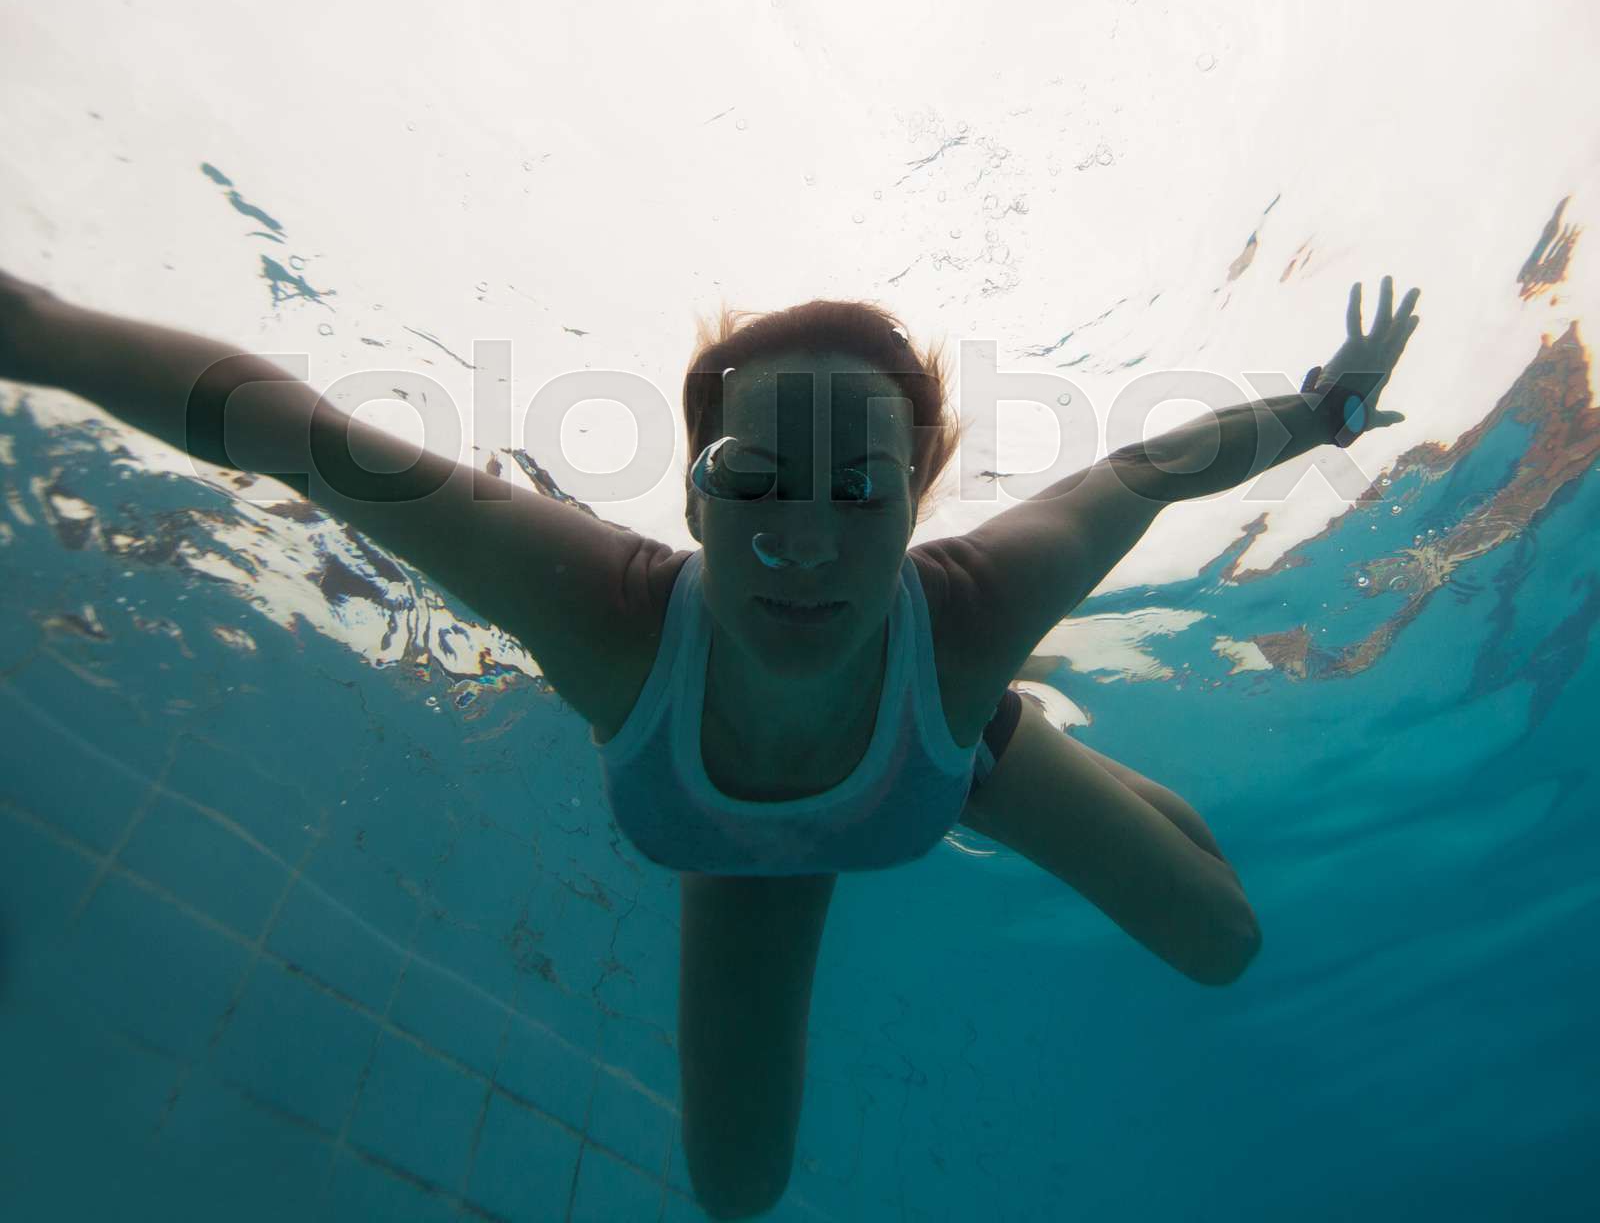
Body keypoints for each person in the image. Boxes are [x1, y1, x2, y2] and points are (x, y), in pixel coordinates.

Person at [0, 268, 1419, 1220]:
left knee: (1223, 936)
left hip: (944, 755)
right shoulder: (608, 616)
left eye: (862, 492)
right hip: (736, 850)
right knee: (736, 1193)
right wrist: (37, 331)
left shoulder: (974, 609)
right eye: (757, 484)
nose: (802, 544)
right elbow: (289, 433)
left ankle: (1015, 749)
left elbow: (1148, 473)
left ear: (915, 508)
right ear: (691, 502)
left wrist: (1327, 411)